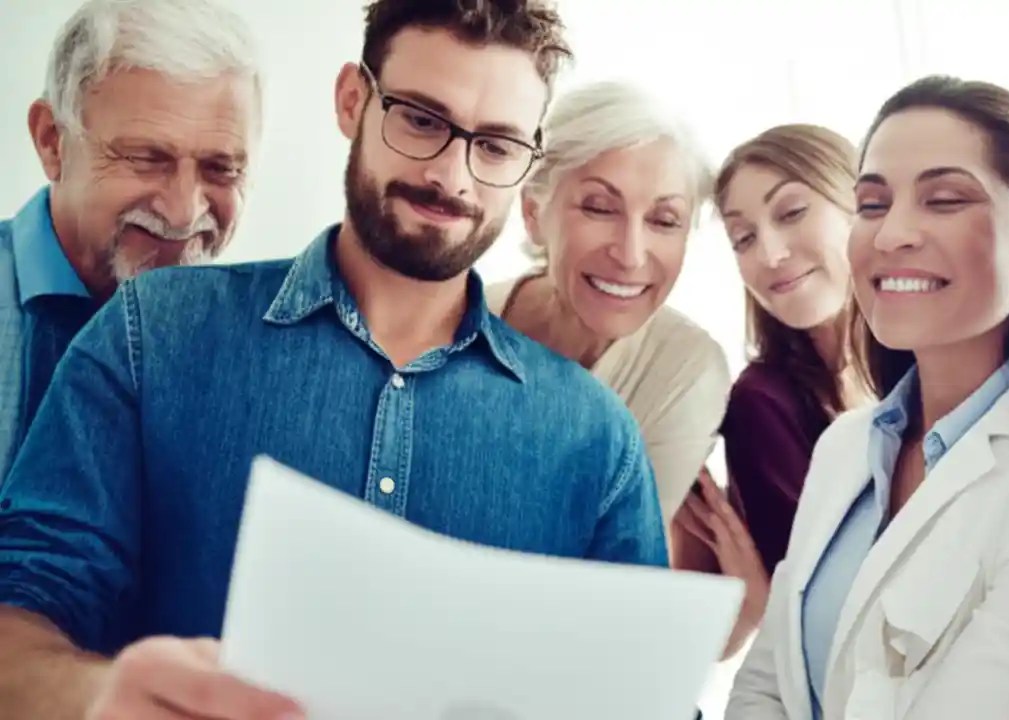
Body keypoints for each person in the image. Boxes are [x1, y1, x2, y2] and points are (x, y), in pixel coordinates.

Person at [0, 1, 666, 718]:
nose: (451, 176)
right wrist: (101, 695)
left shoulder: (596, 440)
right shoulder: (150, 333)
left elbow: (649, 695)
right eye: (419, 118)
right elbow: (24, 610)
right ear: (354, 100)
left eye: (497, 145)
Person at [729, 76, 1009, 719]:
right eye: (872, 204)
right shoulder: (845, 448)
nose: (892, 234)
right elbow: (766, 685)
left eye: (944, 199)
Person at [0, 0, 261, 478]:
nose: (184, 213)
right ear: (52, 142)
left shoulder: (259, 353)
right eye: (145, 158)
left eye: (220, 168)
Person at [489, 80, 730, 527]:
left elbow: (612, 571)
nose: (631, 253)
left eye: (664, 220)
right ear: (533, 214)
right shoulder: (459, 318)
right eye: (599, 208)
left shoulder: (687, 370)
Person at [674, 124, 865, 656]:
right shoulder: (763, 404)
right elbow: (827, 625)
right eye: (744, 238)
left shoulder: (938, 366)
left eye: (792, 212)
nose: (771, 254)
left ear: (860, 204)